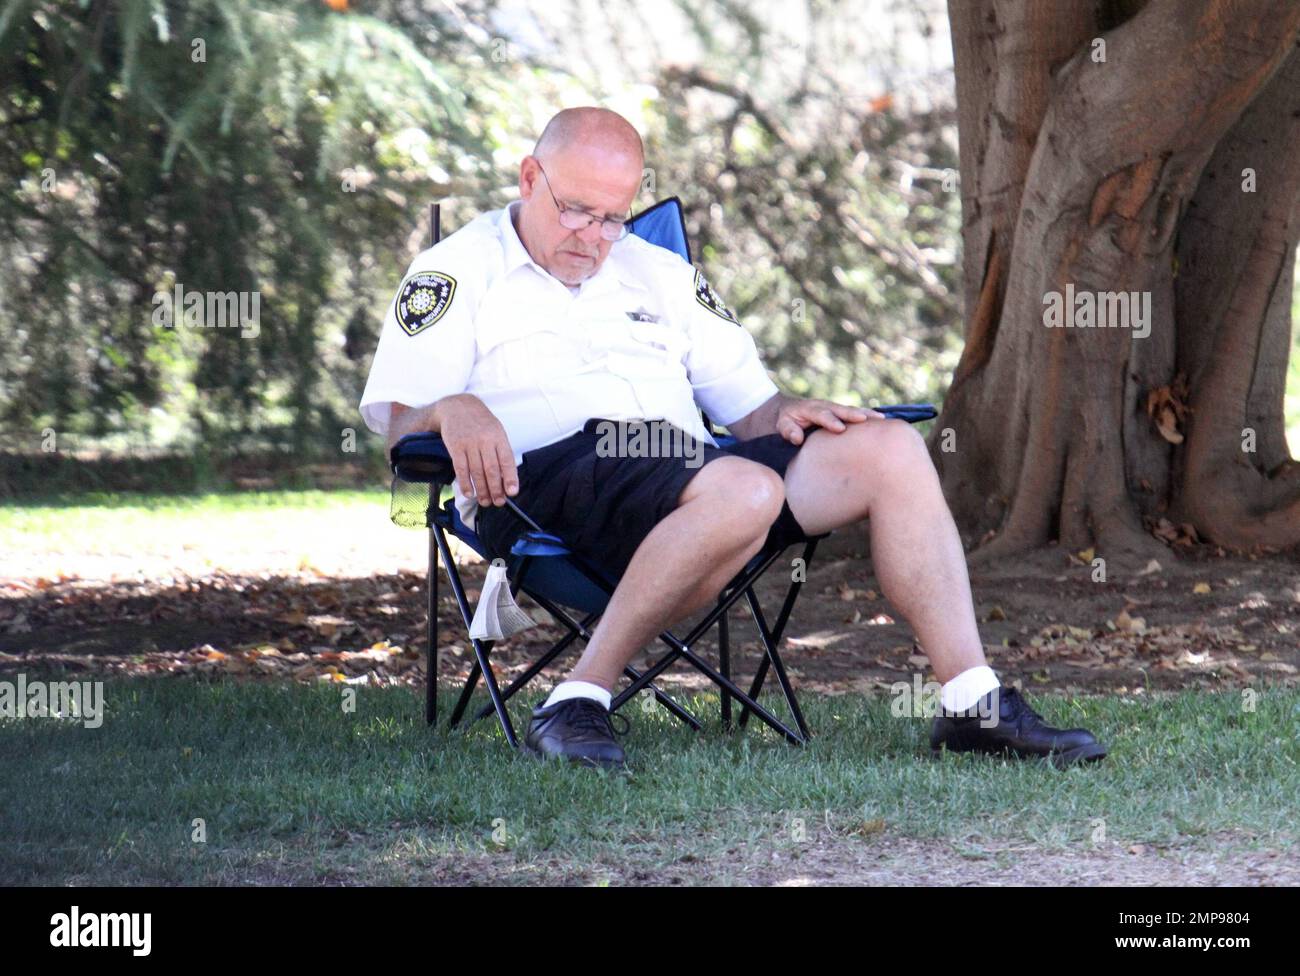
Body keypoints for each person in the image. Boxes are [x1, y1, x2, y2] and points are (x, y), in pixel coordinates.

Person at [359, 106, 1107, 770]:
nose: (596, 238)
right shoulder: (457, 269)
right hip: (542, 488)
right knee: (744, 485)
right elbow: (399, 427)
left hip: (690, 481)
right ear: (529, 176)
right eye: (578, 211)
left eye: (615, 217)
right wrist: (447, 408)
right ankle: (578, 698)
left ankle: (971, 704)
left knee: (889, 448)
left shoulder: (659, 272)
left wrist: (790, 410)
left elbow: (750, 410)